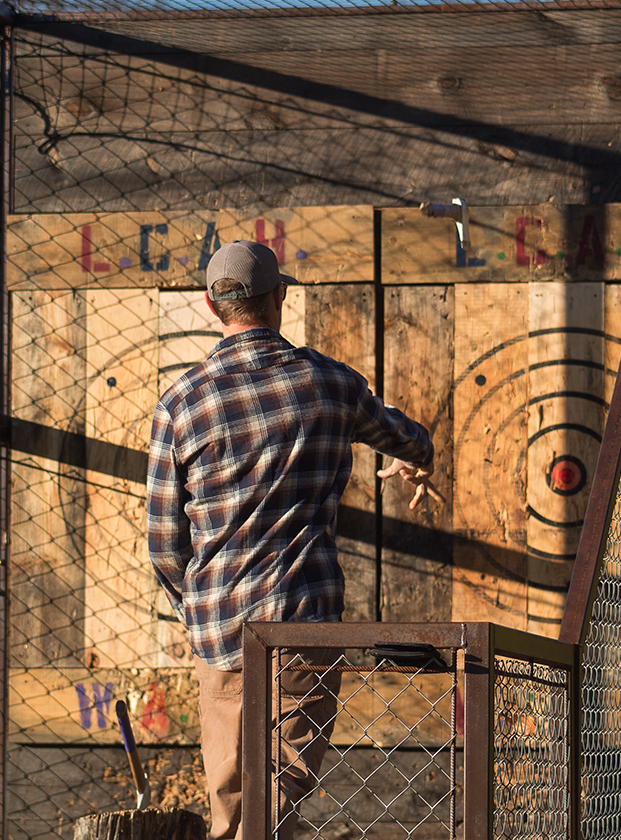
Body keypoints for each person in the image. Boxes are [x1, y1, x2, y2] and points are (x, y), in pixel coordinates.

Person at [146, 240, 440, 840]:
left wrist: (199, 612)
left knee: (230, 806)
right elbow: (411, 438)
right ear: (280, 296)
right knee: (278, 802)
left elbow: (164, 544)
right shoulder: (332, 384)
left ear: (211, 305)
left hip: (221, 634)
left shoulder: (180, 404)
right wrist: (415, 460)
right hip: (305, 628)